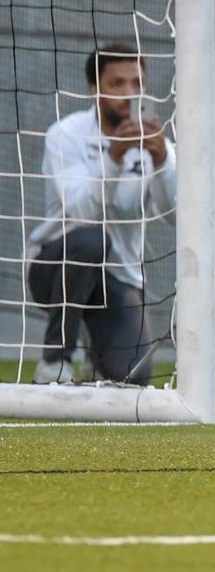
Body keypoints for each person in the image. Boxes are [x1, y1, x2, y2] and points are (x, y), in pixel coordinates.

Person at [27, 43, 175, 385]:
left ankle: (100, 360)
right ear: (94, 90)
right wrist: (114, 157)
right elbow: (78, 213)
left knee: (132, 379)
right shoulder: (65, 135)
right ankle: (56, 360)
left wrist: (162, 163)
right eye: (117, 84)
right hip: (56, 267)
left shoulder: (157, 144)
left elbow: (173, 216)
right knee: (93, 239)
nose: (128, 93)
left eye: (136, 83)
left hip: (117, 280)